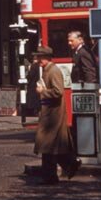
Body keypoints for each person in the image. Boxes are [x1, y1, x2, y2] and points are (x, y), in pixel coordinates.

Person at [32, 46, 79, 184]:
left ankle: (51, 177)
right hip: (49, 112)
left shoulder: (53, 71)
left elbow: (58, 92)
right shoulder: (48, 70)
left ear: (46, 58)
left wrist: (42, 91)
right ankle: (66, 167)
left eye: (39, 57)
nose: (37, 60)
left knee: (47, 145)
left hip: (53, 114)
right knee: (50, 146)